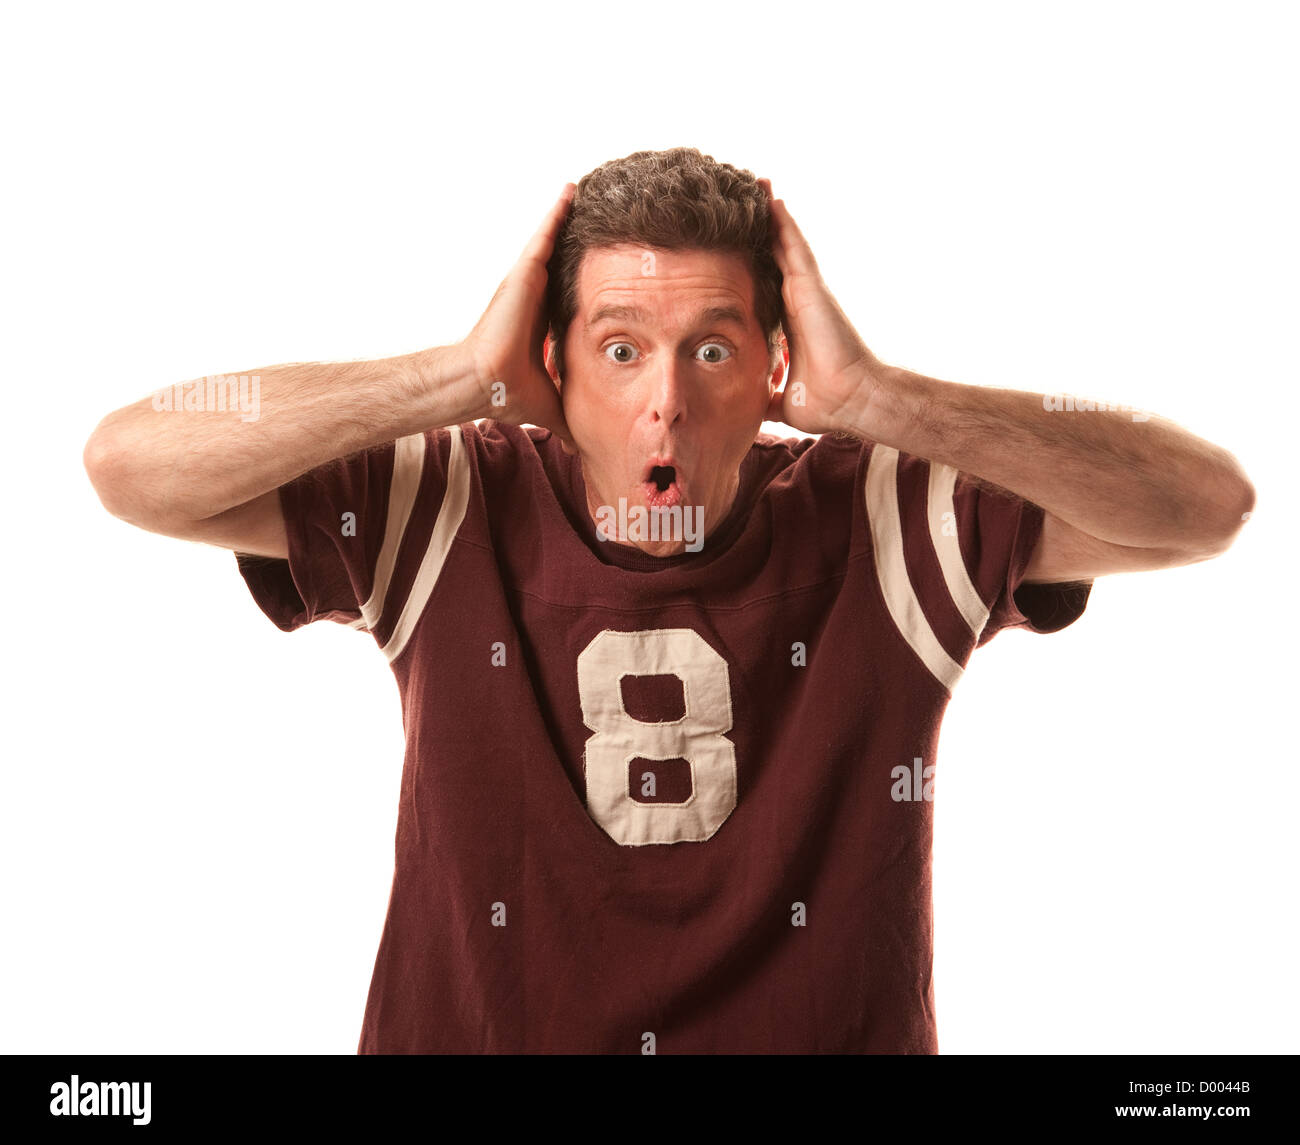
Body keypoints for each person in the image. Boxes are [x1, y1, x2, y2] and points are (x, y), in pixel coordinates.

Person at [83, 147, 1254, 1053]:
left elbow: (1207, 502)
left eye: (710, 349)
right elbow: (129, 462)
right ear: (551, 366)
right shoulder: (447, 500)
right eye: (620, 347)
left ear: (776, 370)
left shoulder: (888, 519)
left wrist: (883, 395)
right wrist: (452, 377)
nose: (664, 406)